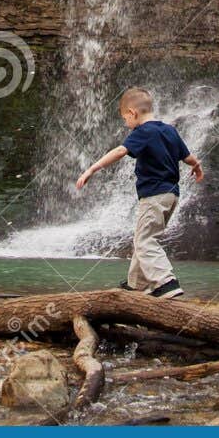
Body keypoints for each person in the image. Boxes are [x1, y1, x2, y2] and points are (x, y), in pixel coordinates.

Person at [74, 86, 203, 298]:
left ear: (133, 113)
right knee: (142, 238)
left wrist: (92, 169)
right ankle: (136, 285)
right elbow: (187, 157)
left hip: (153, 194)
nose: (126, 124)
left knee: (145, 242)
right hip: (172, 195)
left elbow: (120, 151)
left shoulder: (143, 132)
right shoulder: (170, 130)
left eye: (125, 119)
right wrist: (197, 167)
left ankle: (166, 282)